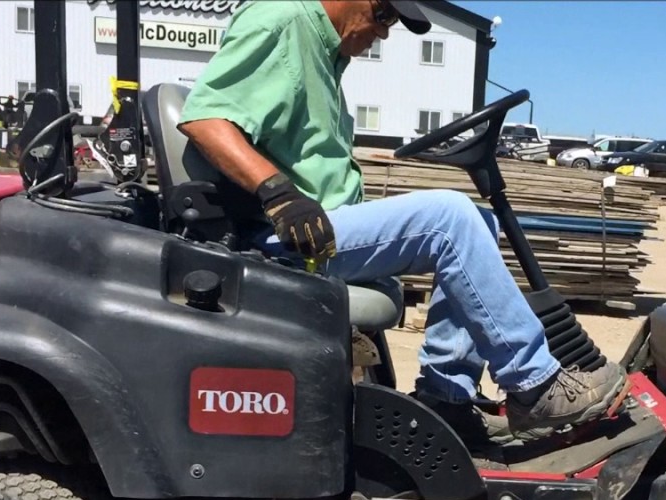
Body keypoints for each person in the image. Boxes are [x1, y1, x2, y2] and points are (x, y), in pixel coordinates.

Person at [177, 0, 629, 444]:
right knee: (449, 218)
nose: (385, 31)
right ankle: (534, 384)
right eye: (383, 14)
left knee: (478, 221)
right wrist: (279, 194)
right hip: (287, 239)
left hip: (319, 229)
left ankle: (446, 399)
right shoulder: (281, 19)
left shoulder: (325, 52)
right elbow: (206, 117)